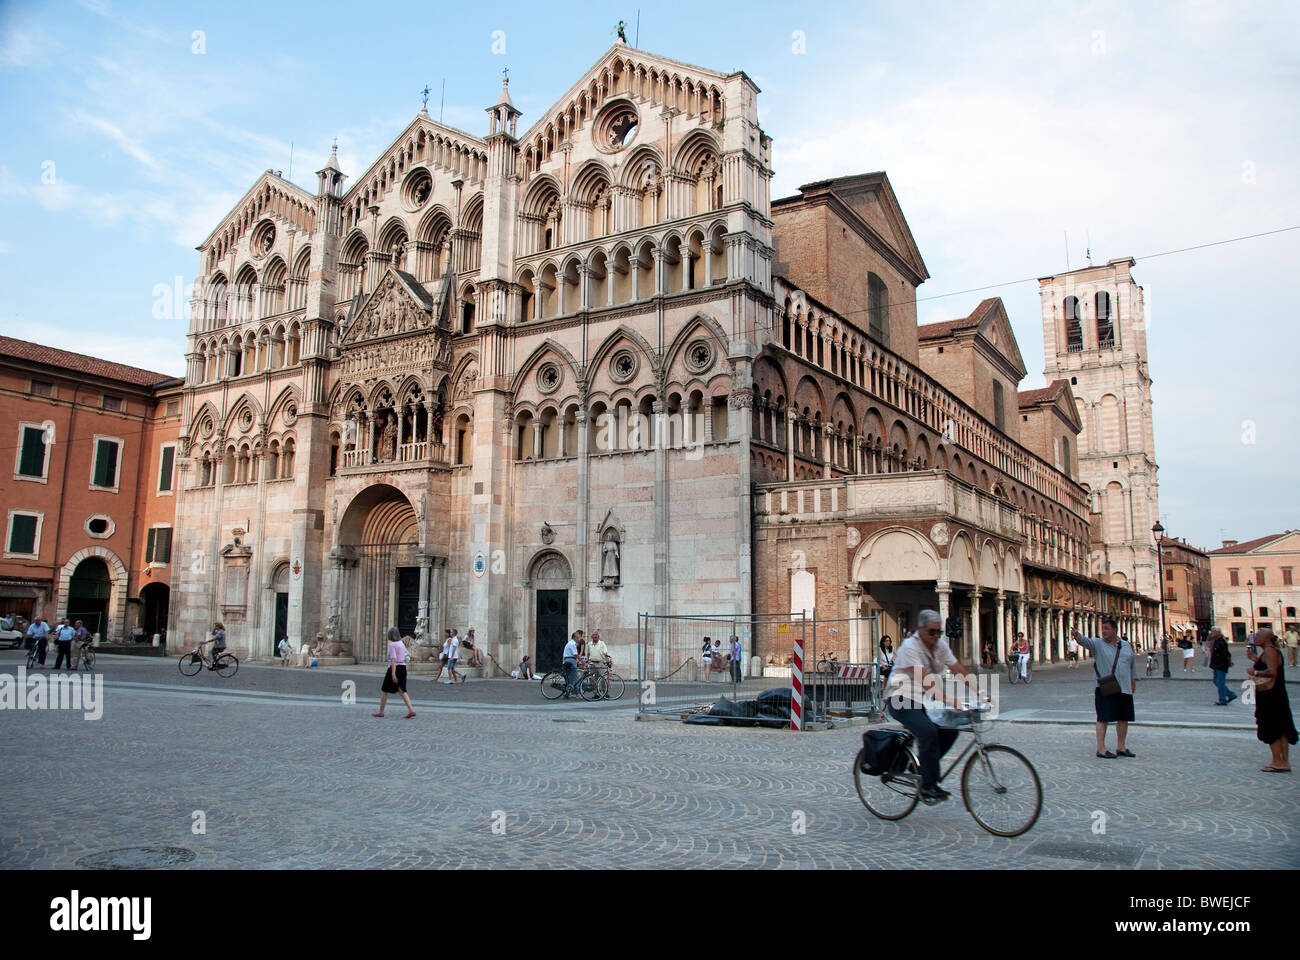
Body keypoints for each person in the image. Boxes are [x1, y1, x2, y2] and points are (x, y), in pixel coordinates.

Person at [884, 610, 979, 803]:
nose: (936, 636)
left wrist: (980, 691)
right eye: (931, 632)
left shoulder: (939, 645)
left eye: (939, 632)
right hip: (899, 698)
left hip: (920, 701)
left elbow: (956, 668)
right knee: (928, 732)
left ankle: (920, 768)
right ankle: (928, 786)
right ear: (920, 630)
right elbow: (924, 679)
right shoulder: (910, 646)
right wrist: (949, 700)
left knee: (950, 730)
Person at [1072, 618, 1136, 759]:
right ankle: (1101, 749)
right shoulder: (1098, 644)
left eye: (1107, 628)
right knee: (1103, 717)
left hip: (1124, 687)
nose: (1104, 631)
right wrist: (1077, 635)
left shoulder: (1126, 646)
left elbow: (1132, 665)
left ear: (1114, 630)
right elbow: (1085, 641)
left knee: (1124, 717)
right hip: (1105, 686)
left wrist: (1133, 681)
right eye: (1103, 629)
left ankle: (1121, 746)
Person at [1247, 627, 1296, 772]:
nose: (1255, 637)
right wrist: (1255, 659)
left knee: (1272, 726)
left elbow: (1272, 672)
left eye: (1259, 635)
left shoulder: (1269, 651)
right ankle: (1283, 761)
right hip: (1276, 694)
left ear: (1267, 638)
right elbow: (1269, 666)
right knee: (1281, 727)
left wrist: (1254, 671)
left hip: (1270, 695)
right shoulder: (1270, 651)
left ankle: (1277, 761)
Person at [373, 626, 416, 718]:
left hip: (395, 668)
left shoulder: (393, 645)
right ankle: (411, 710)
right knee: (402, 690)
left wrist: (393, 673)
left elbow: (393, 659)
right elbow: (407, 655)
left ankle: (381, 711)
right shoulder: (401, 643)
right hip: (403, 668)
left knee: (384, 690)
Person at [1208, 627, 1237, 706]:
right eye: (1211, 632)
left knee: (1220, 682)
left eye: (1213, 632)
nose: (1211, 633)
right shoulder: (1216, 641)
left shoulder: (1221, 642)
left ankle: (1223, 700)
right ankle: (1231, 694)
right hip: (1216, 665)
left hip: (1221, 665)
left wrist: (1229, 662)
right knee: (1216, 681)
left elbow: (1227, 654)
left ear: (1218, 633)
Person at [562, 631, 581, 699]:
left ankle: (568, 692)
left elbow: (564, 654)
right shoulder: (573, 644)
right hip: (571, 660)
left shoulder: (568, 643)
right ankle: (577, 693)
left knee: (569, 678)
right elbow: (575, 654)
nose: (579, 639)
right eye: (578, 637)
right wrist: (582, 661)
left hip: (567, 660)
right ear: (575, 637)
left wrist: (563, 662)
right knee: (575, 678)